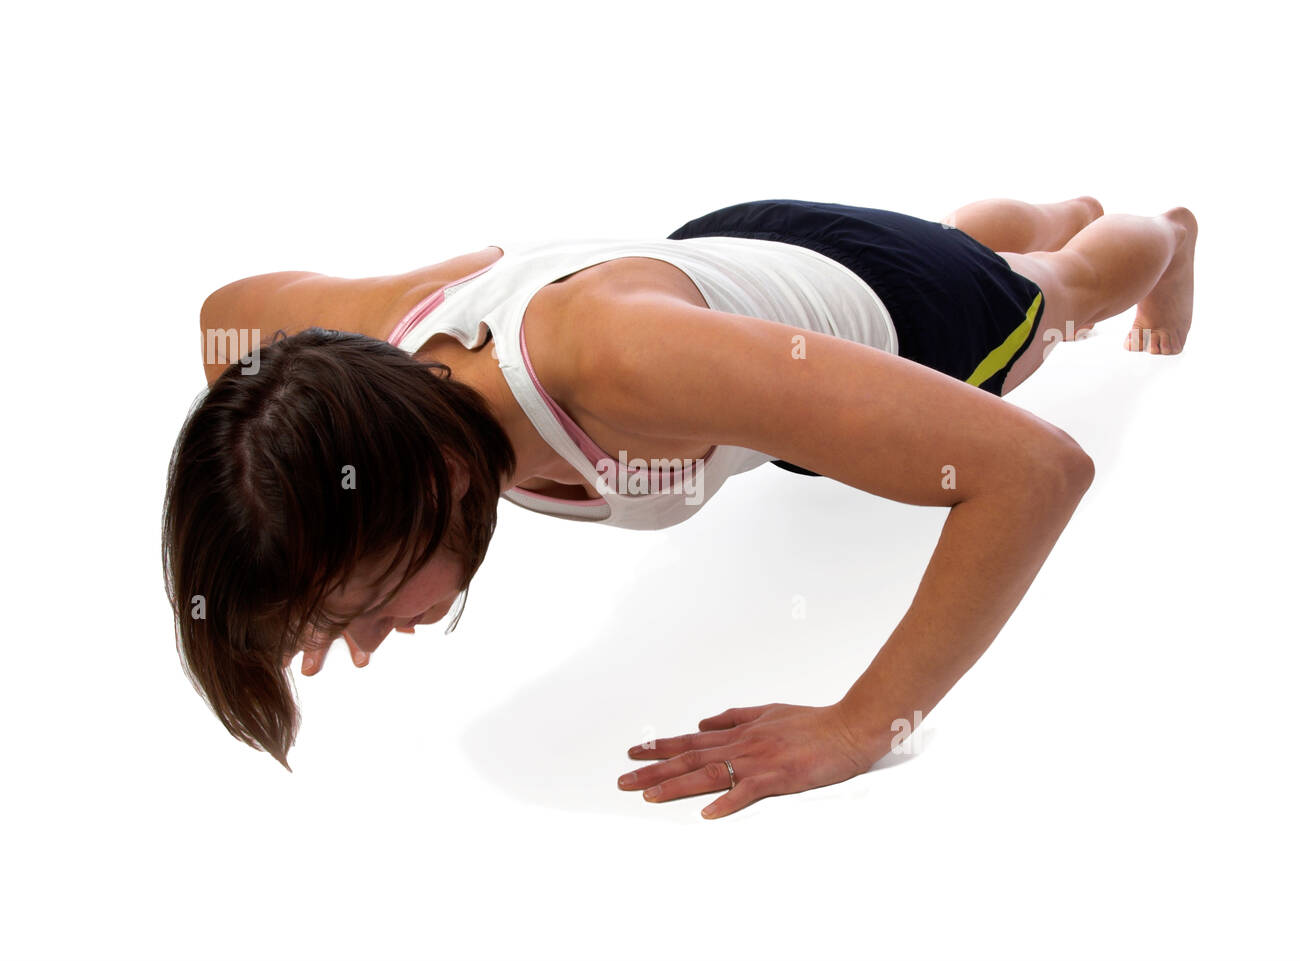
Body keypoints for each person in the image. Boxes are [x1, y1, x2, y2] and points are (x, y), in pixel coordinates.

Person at [165, 196, 1197, 819]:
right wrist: (312, 532)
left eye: (370, 606)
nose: (366, 637)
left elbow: (1037, 470)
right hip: (739, 270)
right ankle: (1021, 230)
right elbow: (221, 318)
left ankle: (1161, 235)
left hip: (903, 322)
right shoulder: (368, 353)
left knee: (1046, 296)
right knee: (952, 248)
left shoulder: (624, 373)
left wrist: (861, 725)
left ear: (434, 477)